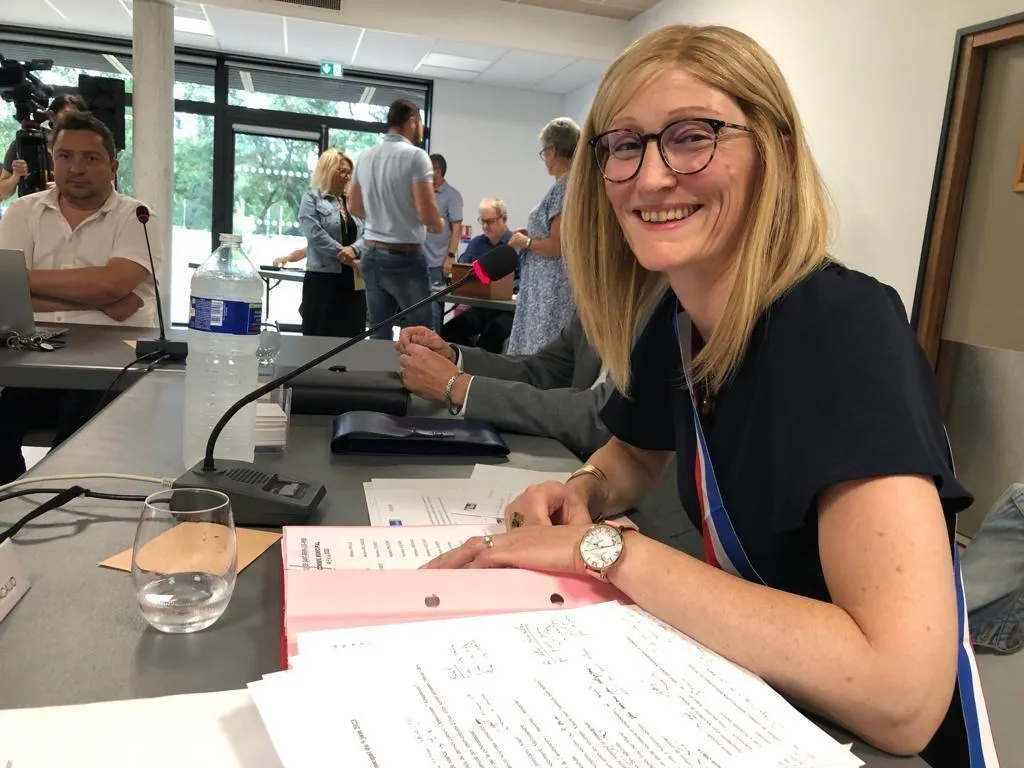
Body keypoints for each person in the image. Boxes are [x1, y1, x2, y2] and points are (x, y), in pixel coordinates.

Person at [426, 25, 996, 768]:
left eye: (693, 137)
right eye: (623, 144)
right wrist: (584, 490)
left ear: (777, 153)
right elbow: (632, 448)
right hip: (753, 705)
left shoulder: (842, 329)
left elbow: (902, 696)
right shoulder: (679, 315)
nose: (651, 175)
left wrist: (602, 550)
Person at [0, 111, 161, 483]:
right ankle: (13, 508)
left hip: (110, 366)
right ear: (54, 159)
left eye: (91, 158)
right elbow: (7, 294)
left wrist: (27, 281)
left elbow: (113, 283)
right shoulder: (23, 212)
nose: (77, 167)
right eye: (65, 156)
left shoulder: (138, 217)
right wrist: (101, 299)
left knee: (76, 444)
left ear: (112, 165)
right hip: (33, 360)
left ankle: (49, 504)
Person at [396, 317, 610, 458]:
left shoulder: (643, 319)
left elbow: (600, 419)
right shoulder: (597, 305)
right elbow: (539, 372)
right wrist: (453, 359)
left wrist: (459, 387)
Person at [349, 99, 444, 340]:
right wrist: (438, 224)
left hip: (370, 254)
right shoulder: (416, 157)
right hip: (405, 257)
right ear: (412, 121)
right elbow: (427, 214)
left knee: (379, 332)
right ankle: (419, 377)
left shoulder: (366, 156)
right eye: (421, 123)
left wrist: (383, 217)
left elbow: (355, 206)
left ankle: (376, 376)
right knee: (422, 333)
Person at [504, 117, 579, 356]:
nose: (544, 159)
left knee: (540, 350)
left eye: (544, 152)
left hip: (550, 288)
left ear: (553, 150)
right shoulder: (568, 187)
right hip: (545, 285)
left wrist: (525, 242)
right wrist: (533, 236)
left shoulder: (564, 188)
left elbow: (558, 246)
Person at [290, 148, 366, 338]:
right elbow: (315, 235)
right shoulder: (311, 199)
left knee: (352, 335)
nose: (347, 176)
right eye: (342, 171)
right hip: (322, 279)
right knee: (318, 334)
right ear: (327, 170)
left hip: (353, 281)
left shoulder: (353, 202)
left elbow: (368, 232)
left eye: (350, 172)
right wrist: (347, 256)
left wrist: (355, 249)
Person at [441, 197, 514, 352]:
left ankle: (481, 369)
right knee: (449, 331)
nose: (486, 226)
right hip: (480, 307)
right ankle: (466, 362)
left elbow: (522, 280)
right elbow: (462, 268)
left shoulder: (514, 246)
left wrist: (506, 288)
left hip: (506, 311)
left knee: (492, 335)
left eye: (491, 221)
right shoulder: (476, 244)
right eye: (483, 221)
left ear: (504, 219)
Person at [0, 93, 88, 202]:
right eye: (67, 114)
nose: (72, 121)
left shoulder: (87, 149)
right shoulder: (28, 142)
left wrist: (64, 189)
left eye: (78, 117)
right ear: (52, 116)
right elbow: (2, 194)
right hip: (32, 213)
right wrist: (15, 177)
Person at [423, 153, 463, 332]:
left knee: (434, 310)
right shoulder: (422, 192)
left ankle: (433, 351)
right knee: (415, 309)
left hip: (437, 263)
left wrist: (450, 257)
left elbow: (457, 228)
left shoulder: (452, 196)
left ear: (437, 171)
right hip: (417, 260)